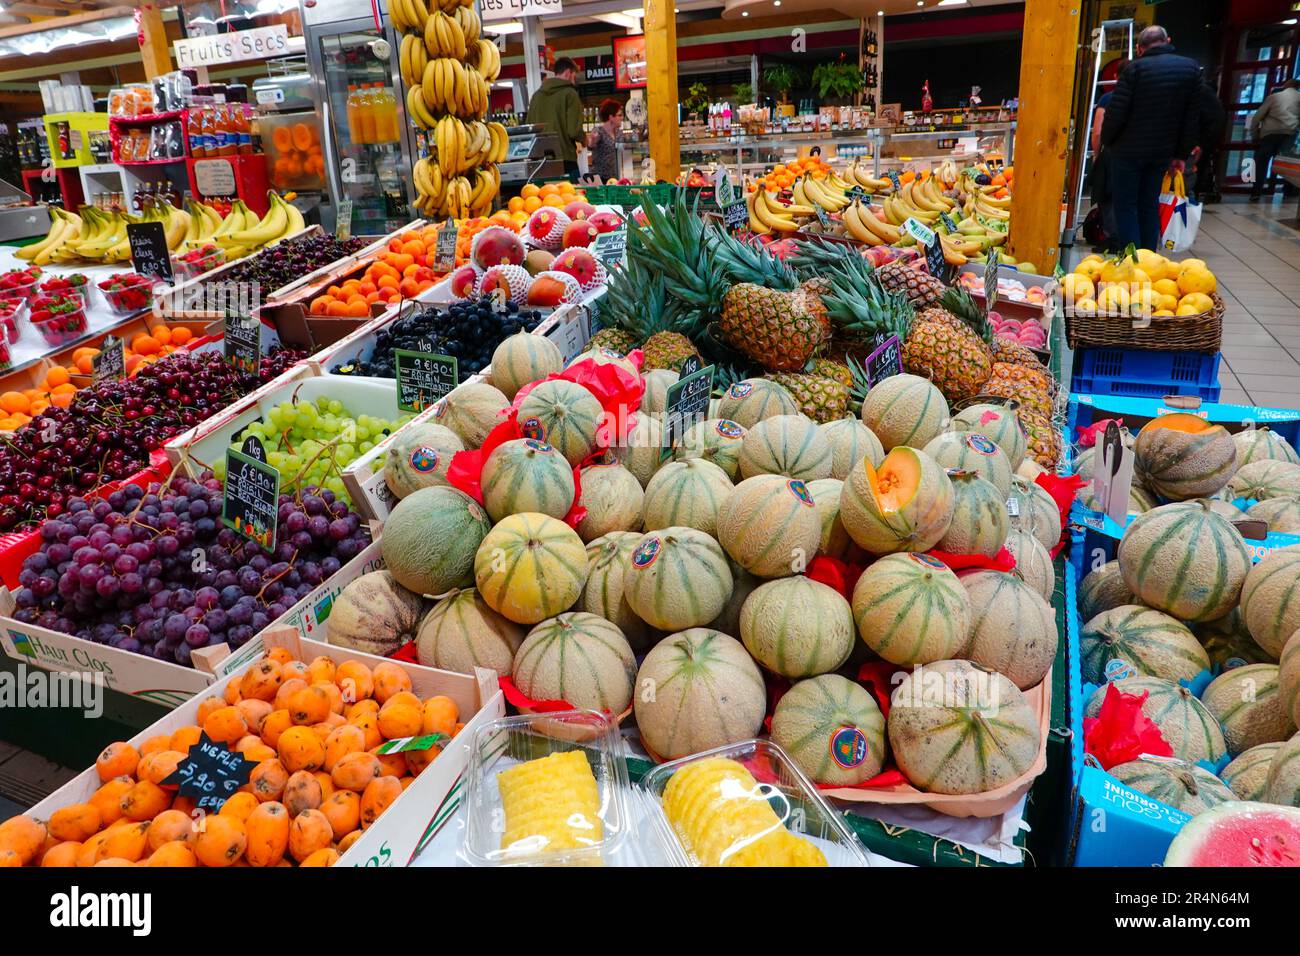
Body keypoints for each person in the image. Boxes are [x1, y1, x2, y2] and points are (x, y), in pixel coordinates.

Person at [1100, 25, 1202, 250]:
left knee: (1126, 206)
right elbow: (1191, 117)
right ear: (1168, 40)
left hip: (1127, 151)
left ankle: (1131, 258)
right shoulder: (1191, 70)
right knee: (1149, 203)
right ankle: (1148, 259)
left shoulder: (1135, 70)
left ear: (1139, 48)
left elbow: (1117, 113)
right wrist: (1180, 154)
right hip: (1161, 151)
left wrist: (1108, 142)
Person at [525, 58, 586, 178]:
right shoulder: (570, 94)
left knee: (544, 196)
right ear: (568, 73)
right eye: (574, 76)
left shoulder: (536, 96)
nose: (574, 81)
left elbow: (529, 128)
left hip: (540, 163)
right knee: (570, 195)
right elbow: (573, 131)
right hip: (565, 160)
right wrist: (585, 139)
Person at [1248, 78, 1300, 201]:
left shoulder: (1274, 97)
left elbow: (1257, 117)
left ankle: (1256, 192)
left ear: (1286, 85)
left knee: (1261, 163)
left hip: (1270, 134)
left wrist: (1254, 135)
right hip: (1289, 134)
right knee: (1286, 162)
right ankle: (1288, 190)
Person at [586, 98, 623, 184]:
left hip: (616, 178)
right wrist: (592, 141)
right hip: (599, 179)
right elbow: (590, 146)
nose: (622, 118)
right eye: (619, 115)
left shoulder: (619, 133)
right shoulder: (598, 131)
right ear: (611, 117)